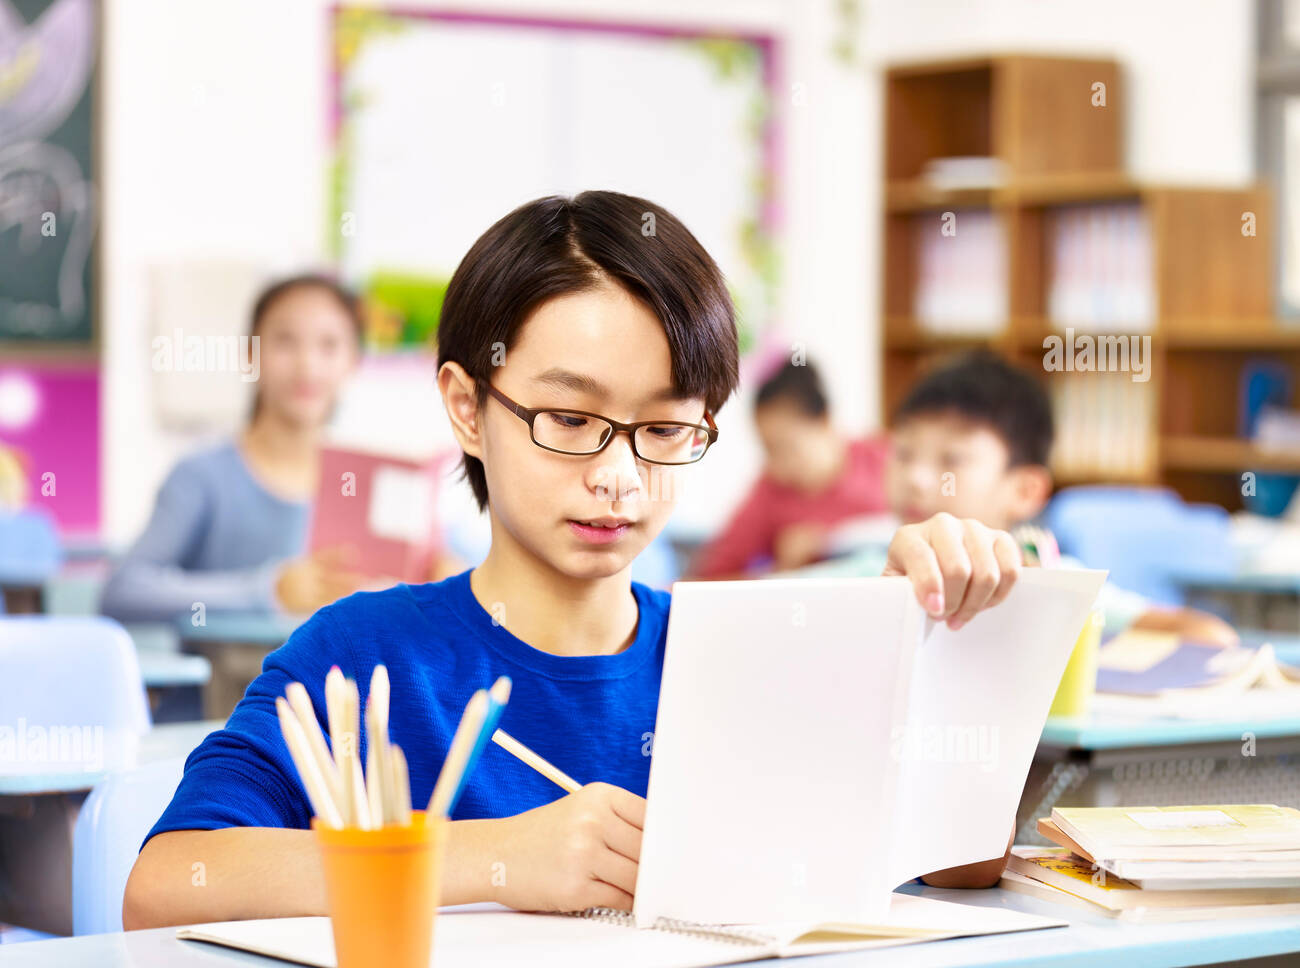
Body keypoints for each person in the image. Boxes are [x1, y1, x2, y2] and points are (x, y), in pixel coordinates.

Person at [124, 192, 1022, 930]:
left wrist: (943, 637)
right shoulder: (367, 657)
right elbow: (166, 883)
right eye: (570, 420)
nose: (620, 477)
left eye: (666, 428)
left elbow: (961, 868)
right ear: (468, 408)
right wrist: (497, 856)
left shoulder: (742, 655)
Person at [801, 352, 1237, 646]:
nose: (915, 478)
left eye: (951, 458)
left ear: (1025, 490)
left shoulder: (1052, 580)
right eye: (905, 453)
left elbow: (1205, 634)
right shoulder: (872, 569)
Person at [100, 275, 459, 624]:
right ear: (250, 355)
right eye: (285, 342)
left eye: (329, 345)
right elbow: (123, 591)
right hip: (233, 682)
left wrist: (453, 580)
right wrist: (266, 591)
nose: (307, 365)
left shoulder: (378, 480)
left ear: (353, 362)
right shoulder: (201, 477)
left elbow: (465, 569)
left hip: (344, 683)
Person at [690, 358, 891, 577]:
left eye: (785, 447)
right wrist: (781, 568)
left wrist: (827, 541)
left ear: (824, 421)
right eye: (768, 450)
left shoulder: (885, 459)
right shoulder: (769, 490)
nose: (777, 465)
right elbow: (711, 575)